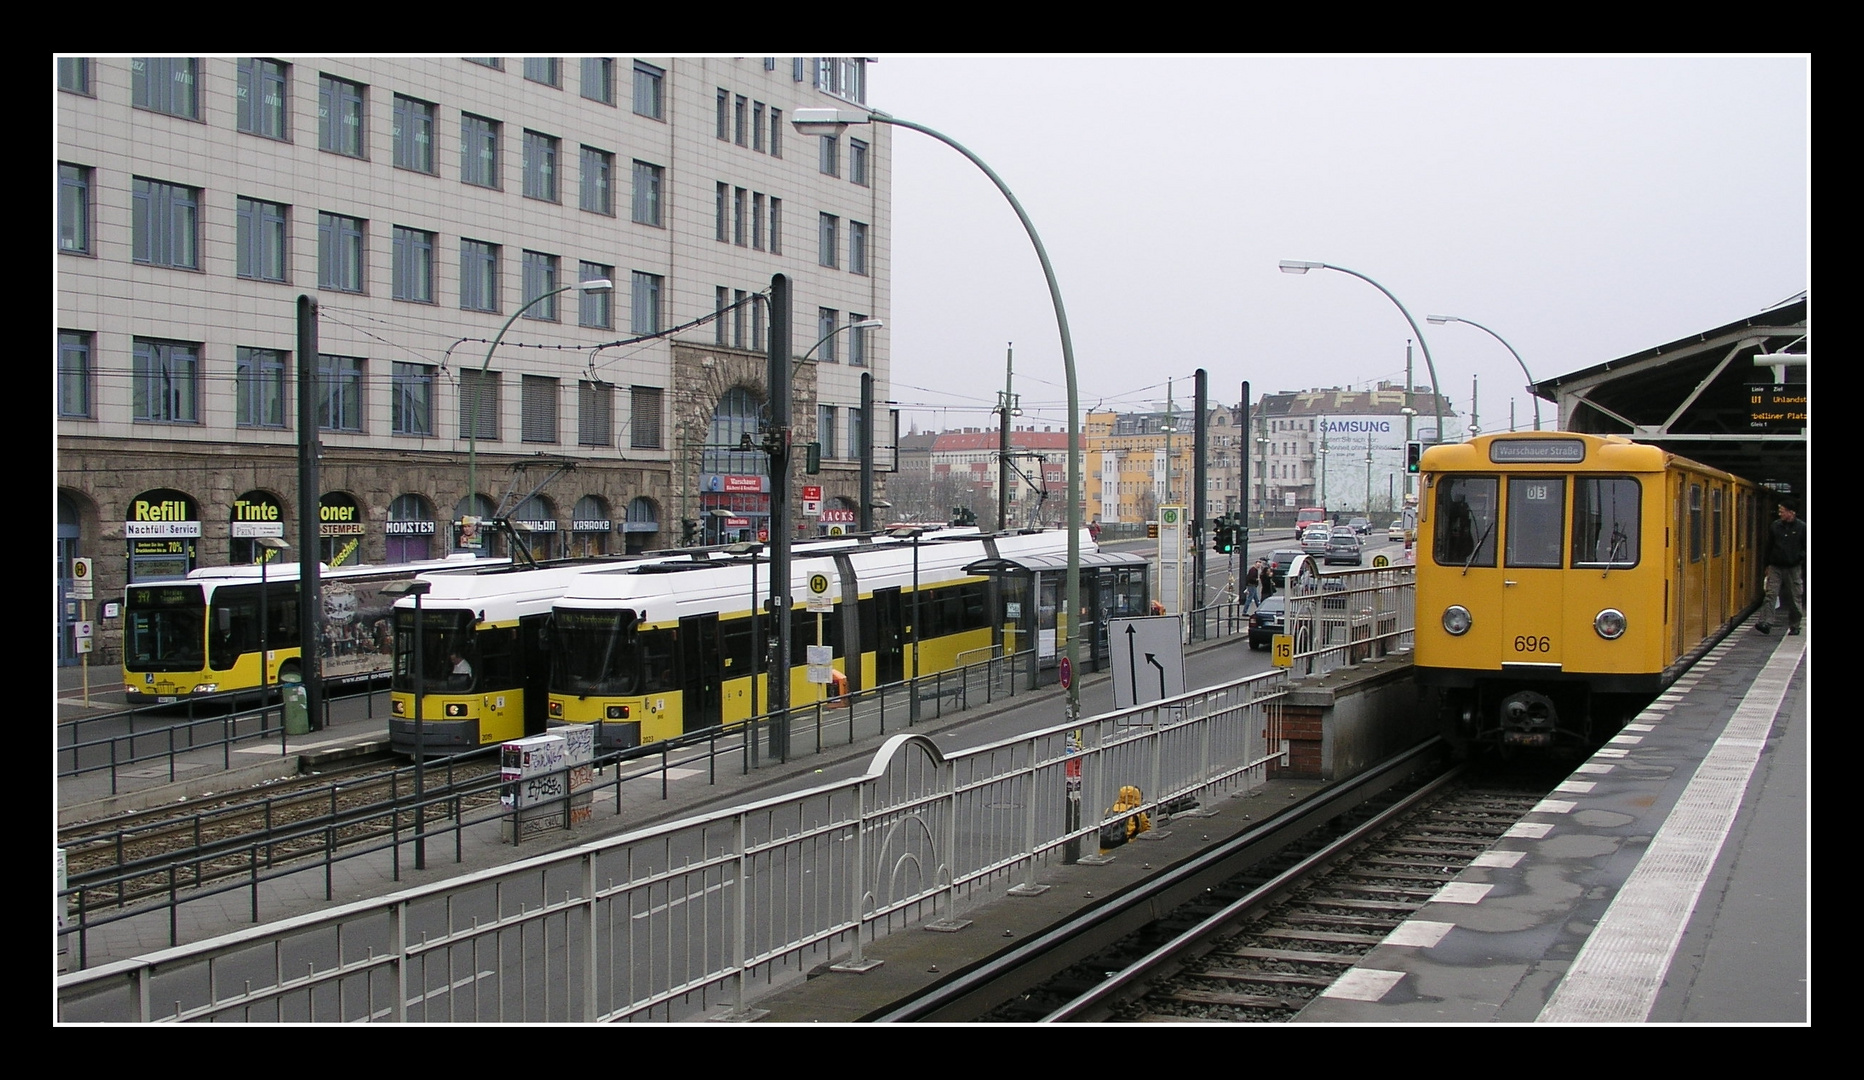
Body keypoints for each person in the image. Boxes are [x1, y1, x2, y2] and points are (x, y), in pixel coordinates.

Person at [1757, 501, 1806, 635]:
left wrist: (1799, 558)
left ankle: (1795, 624)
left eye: (1782, 511)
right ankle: (1766, 622)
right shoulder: (1775, 526)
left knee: (1794, 597)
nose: (1780, 514)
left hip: (1793, 567)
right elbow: (1769, 546)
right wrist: (1766, 564)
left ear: (1791, 512)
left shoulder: (1802, 528)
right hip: (1775, 566)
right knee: (1771, 594)